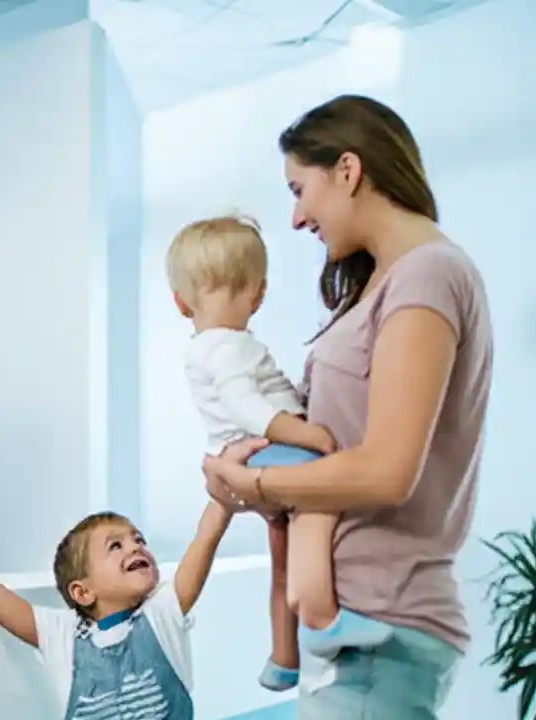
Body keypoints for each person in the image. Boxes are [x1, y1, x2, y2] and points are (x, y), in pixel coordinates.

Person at [202, 94, 492, 717]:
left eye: (300, 189)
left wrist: (255, 483)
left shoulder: (426, 275)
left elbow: (385, 472)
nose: (297, 217)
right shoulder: (392, 281)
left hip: (377, 623)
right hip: (359, 625)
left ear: (349, 171)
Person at [165, 214, 392, 693]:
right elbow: (249, 407)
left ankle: (283, 657)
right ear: (260, 294)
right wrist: (310, 436)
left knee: (283, 561)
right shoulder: (230, 347)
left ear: (179, 301)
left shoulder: (204, 347)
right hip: (272, 452)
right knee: (323, 501)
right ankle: (326, 620)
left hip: (247, 456)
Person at [0, 502, 234, 719]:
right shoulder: (62, 636)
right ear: (82, 591)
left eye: (138, 540)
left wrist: (223, 499)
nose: (135, 547)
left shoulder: (162, 615)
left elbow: (204, 541)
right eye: (115, 546)